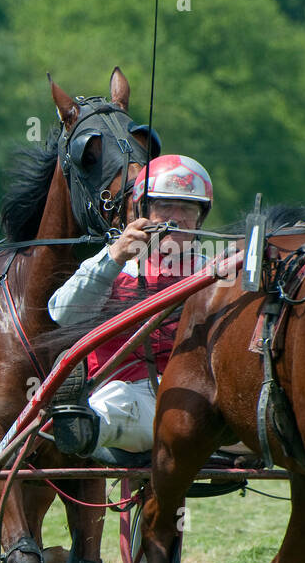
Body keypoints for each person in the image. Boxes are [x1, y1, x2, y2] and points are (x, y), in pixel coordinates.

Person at [47, 154, 213, 462]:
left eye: (186, 208)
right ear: (141, 211)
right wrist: (114, 257)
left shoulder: (215, 272)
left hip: (200, 395)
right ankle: (83, 427)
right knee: (118, 403)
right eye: (164, 206)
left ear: (199, 219)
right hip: (127, 394)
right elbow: (62, 314)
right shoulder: (114, 266)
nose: (174, 217)